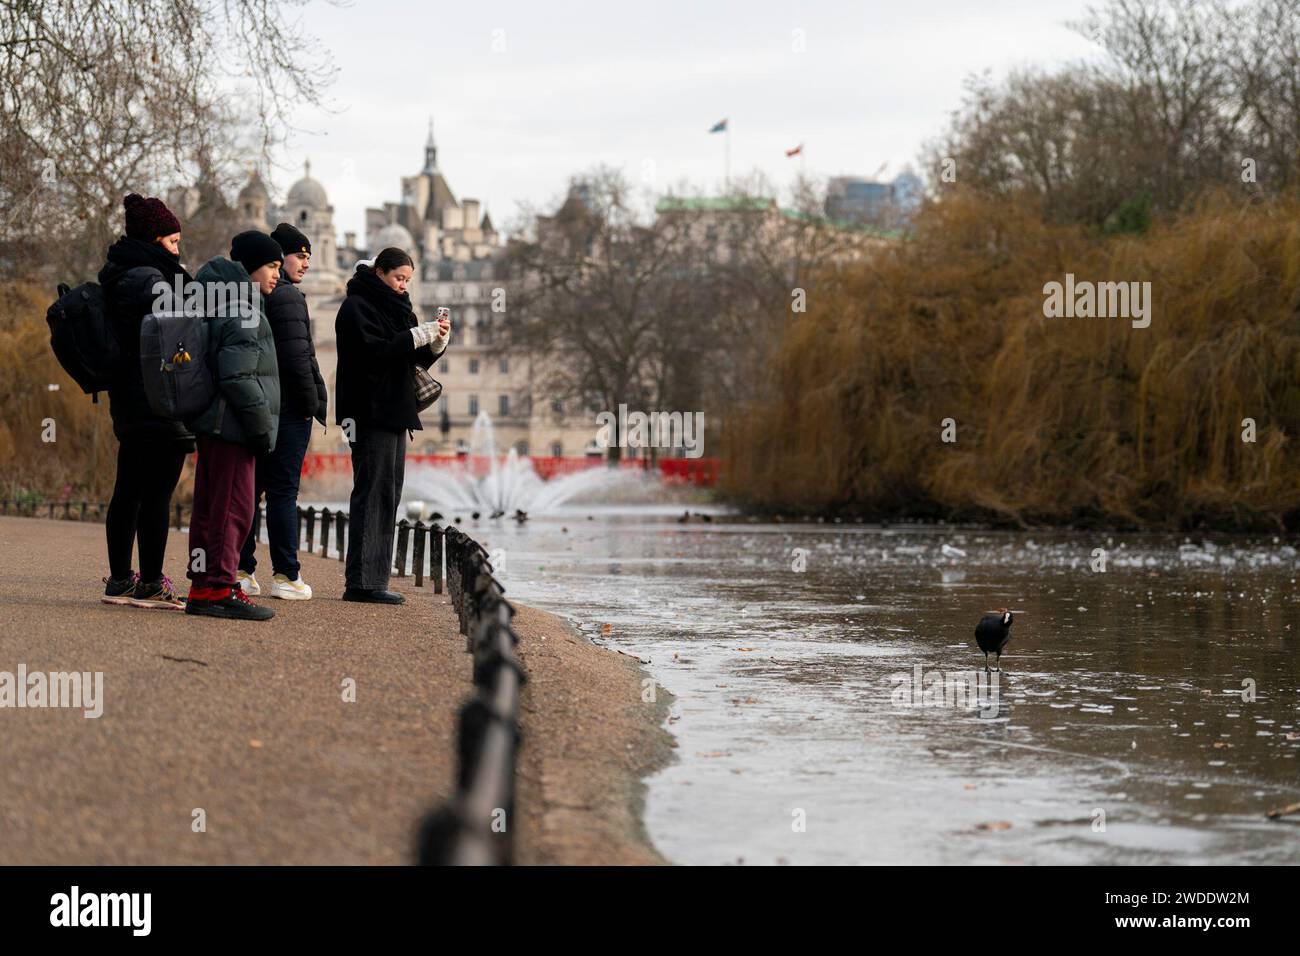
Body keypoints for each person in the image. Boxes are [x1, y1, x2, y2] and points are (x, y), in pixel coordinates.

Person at [334, 247, 448, 604]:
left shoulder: (398, 307)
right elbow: (376, 353)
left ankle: (374, 578)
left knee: (388, 494)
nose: (403, 286)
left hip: (394, 410)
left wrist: (436, 342)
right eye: (398, 278)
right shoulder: (356, 307)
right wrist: (417, 335)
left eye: (407, 280)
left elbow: (408, 357)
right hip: (369, 411)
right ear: (379, 272)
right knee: (372, 492)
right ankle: (362, 582)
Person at [98, 194, 193, 610]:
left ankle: (120, 579)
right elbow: (183, 331)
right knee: (157, 493)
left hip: (129, 399)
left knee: (128, 490)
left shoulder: (119, 273)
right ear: (155, 239)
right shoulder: (154, 280)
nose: (178, 250)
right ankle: (151, 583)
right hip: (160, 399)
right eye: (173, 242)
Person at [184, 231, 283, 621]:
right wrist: (261, 428)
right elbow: (238, 377)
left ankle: (203, 585)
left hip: (214, 423)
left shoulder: (218, 298)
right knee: (233, 509)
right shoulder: (243, 308)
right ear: (250, 268)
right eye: (272, 266)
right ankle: (220, 589)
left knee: (209, 507)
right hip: (234, 425)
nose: (278, 274)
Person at [235, 222, 328, 600]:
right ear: (279, 257)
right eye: (299, 256)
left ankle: (242, 570)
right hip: (288, 409)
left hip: (261, 407)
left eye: (308, 257)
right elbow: (296, 360)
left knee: (251, 490)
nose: (304, 264)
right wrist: (310, 406)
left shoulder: (255, 294)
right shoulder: (288, 297)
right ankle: (287, 575)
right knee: (283, 493)